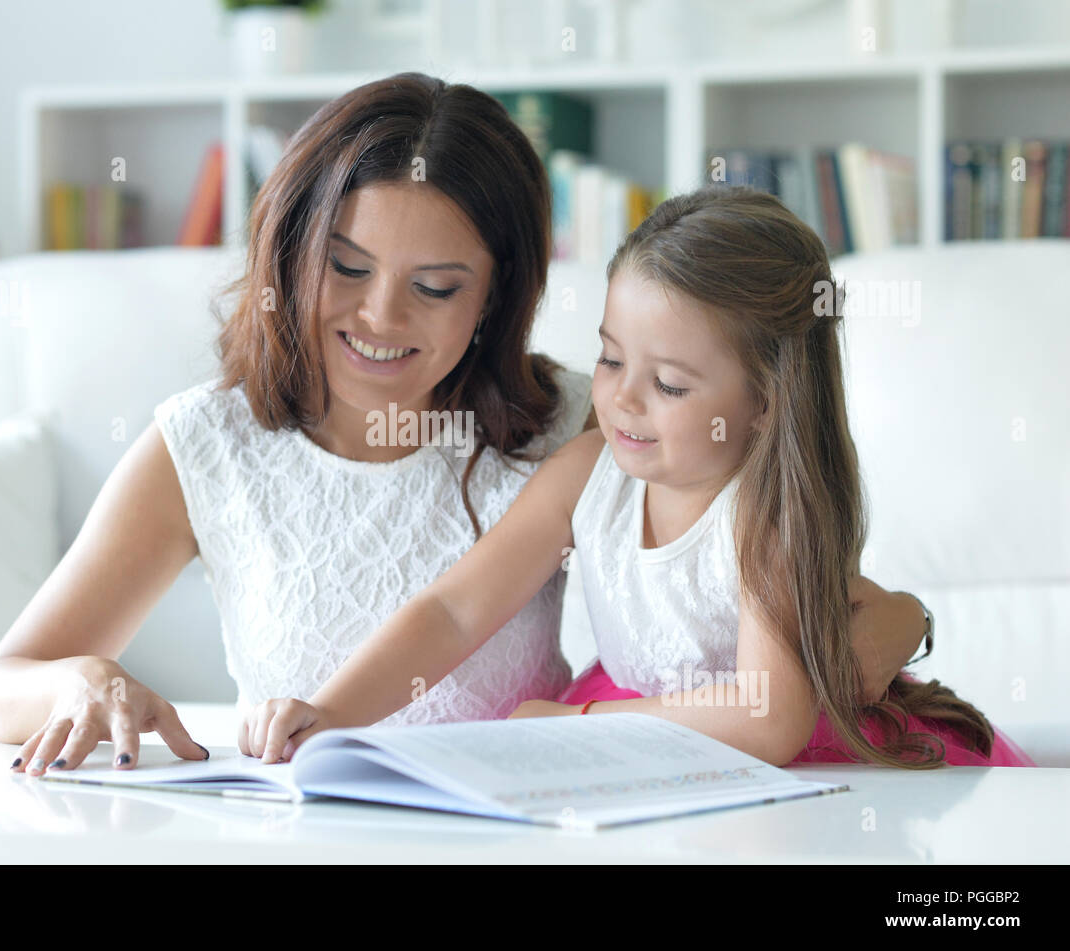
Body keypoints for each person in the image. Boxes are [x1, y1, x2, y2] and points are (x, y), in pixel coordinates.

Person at [0, 74, 928, 776]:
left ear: (495, 297)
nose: (379, 318)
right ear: (289, 252)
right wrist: (81, 681)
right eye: (344, 267)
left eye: (433, 287)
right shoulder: (206, 445)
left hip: (546, 811)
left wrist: (895, 630)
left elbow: (813, 580)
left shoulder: (591, 421)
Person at [241, 186, 1037, 770]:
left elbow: (768, 718)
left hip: (790, 755)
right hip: (634, 726)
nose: (619, 396)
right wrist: (331, 712)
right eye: (612, 356)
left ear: (764, 403)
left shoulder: (758, 508)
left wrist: (577, 724)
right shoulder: (589, 471)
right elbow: (453, 610)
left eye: (671, 384)